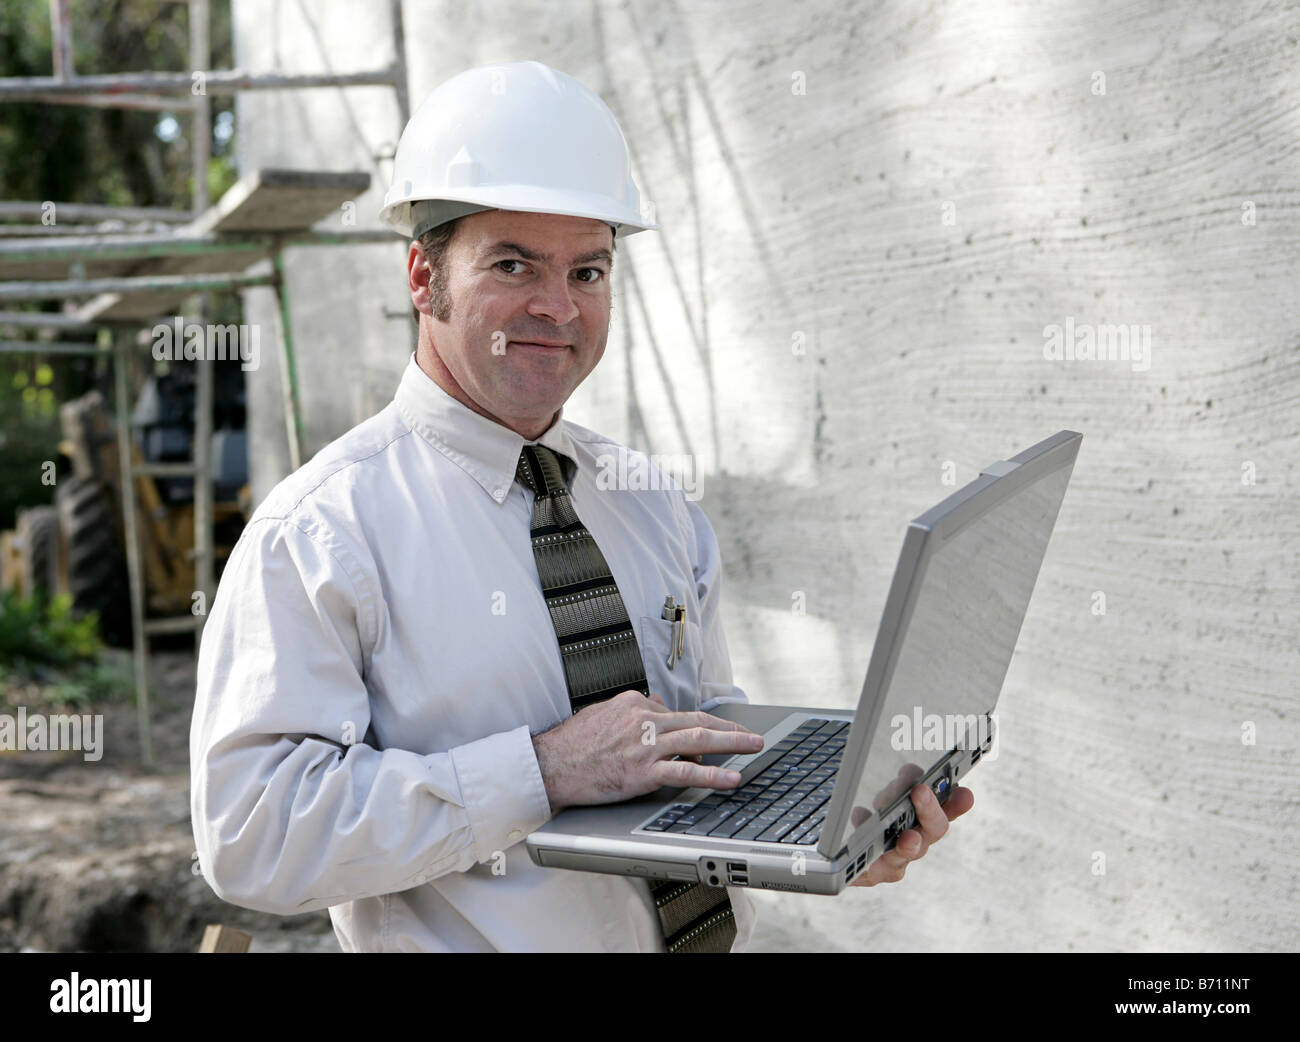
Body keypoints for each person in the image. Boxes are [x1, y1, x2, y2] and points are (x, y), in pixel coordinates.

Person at [189, 60, 972, 953]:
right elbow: (252, 837)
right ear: (422, 275)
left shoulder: (650, 503)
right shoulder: (323, 533)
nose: (557, 308)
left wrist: (831, 830)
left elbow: (700, 734)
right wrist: (541, 770)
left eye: (589, 272)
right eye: (513, 264)